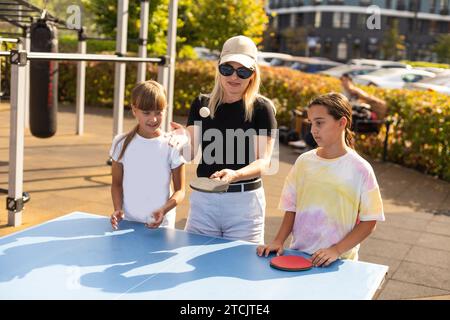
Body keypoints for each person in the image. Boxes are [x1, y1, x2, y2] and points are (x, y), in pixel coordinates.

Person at [171, 35, 277, 244]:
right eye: (227, 69)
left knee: (240, 266)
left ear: (252, 75)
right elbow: (189, 153)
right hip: (204, 200)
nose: (234, 77)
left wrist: (235, 175)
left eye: (243, 71)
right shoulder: (201, 103)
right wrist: (178, 140)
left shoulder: (262, 108)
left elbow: (263, 162)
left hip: (245, 204)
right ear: (218, 68)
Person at [257, 93, 384, 266]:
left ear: (342, 123)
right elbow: (291, 207)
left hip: (339, 261)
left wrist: (336, 250)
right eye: (311, 123)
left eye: (319, 122)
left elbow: (370, 221)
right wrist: (278, 240)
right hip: (299, 255)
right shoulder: (304, 162)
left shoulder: (360, 169)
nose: (312, 130)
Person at [110, 80, 186, 230]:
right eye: (146, 113)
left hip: (162, 225)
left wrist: (163, 210)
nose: (153, 119)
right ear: (134, 110)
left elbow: (180, 191)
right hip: (129, 221)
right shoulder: (120, 143)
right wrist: (118, 208)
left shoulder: (173, 145)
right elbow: (116, 184)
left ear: (165, 110)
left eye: (158, 112)